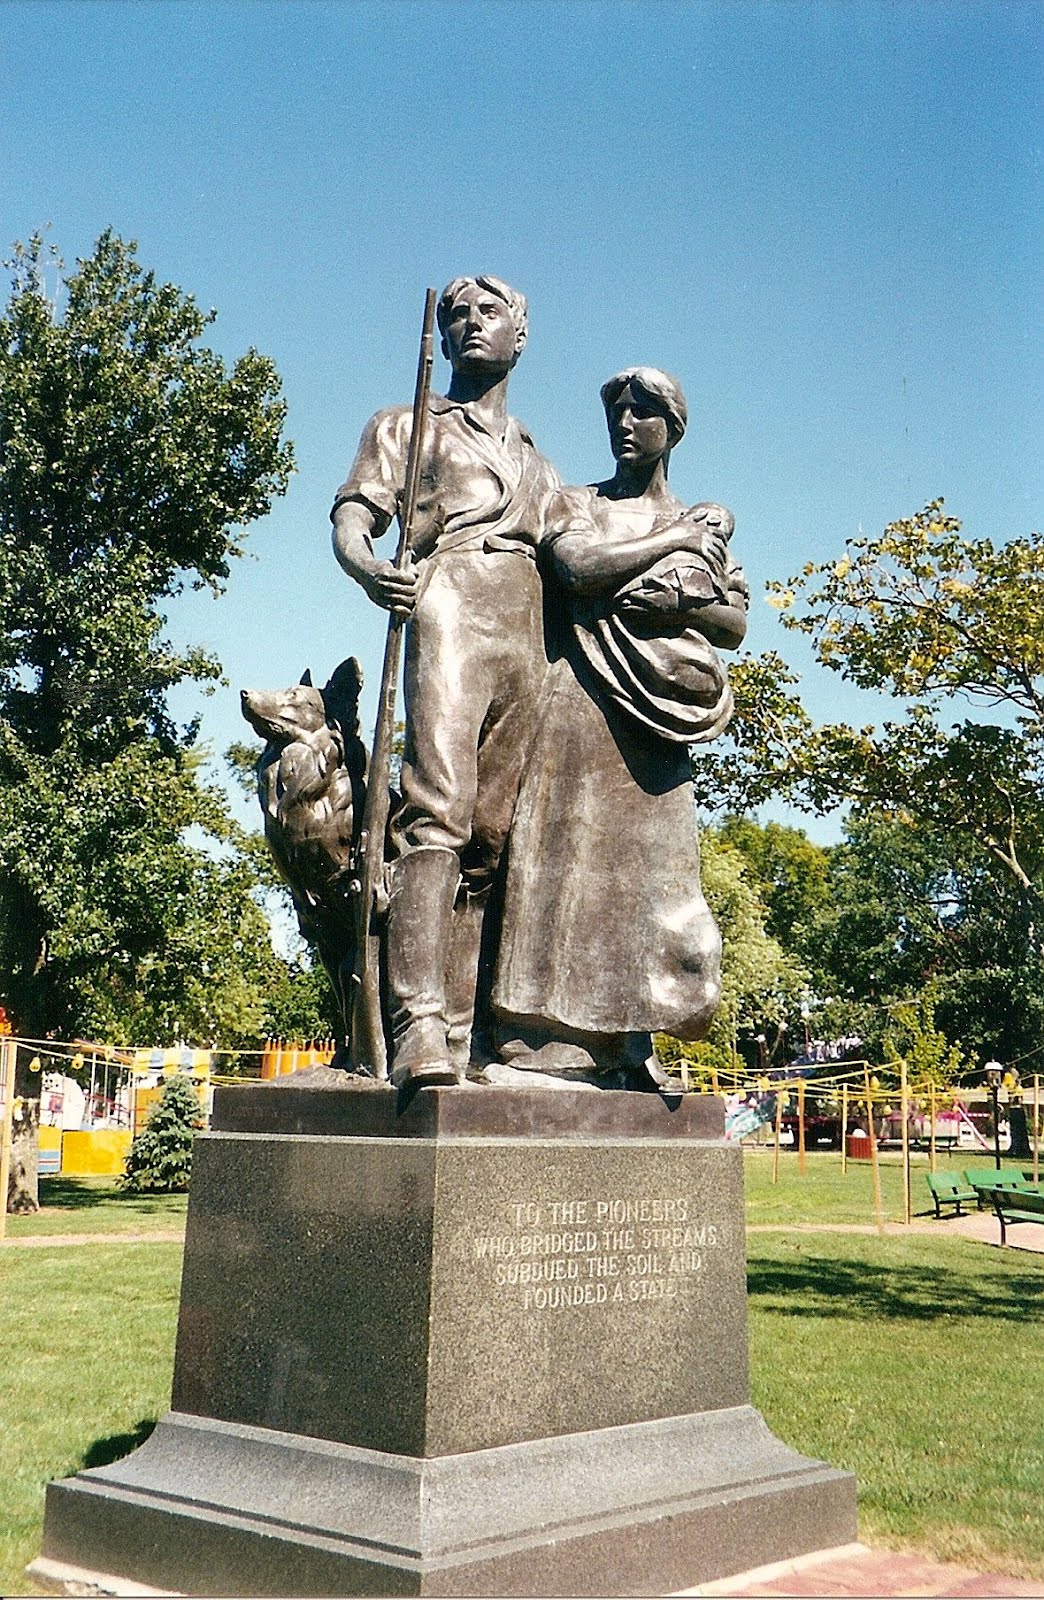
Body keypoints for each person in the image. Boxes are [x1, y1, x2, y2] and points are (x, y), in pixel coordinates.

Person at [331, 276, 561, 1088]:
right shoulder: (406, 423)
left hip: (527, 628)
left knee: (493, 840)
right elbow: (354, 518)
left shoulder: (538, 458)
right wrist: (369, 570)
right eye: (455, 314)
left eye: (487, 312)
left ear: (521, 333)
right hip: (450, 603)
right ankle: (417, 1025)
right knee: (437, 812)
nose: (469, 324)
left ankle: (465, 1032)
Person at [490, 366, 748, 1090]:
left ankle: (630, 1040)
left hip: (659, 722)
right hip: (579, 701)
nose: (625, 426)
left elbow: (730, 620)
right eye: (617, 415)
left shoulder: (707, 521)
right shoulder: (578, 503)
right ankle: (536, 1030)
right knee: (560, 863)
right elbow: (575, 566)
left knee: (650, 883)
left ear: (672, 428)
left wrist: (667, 595)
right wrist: (672, 548)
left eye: (642, 414)